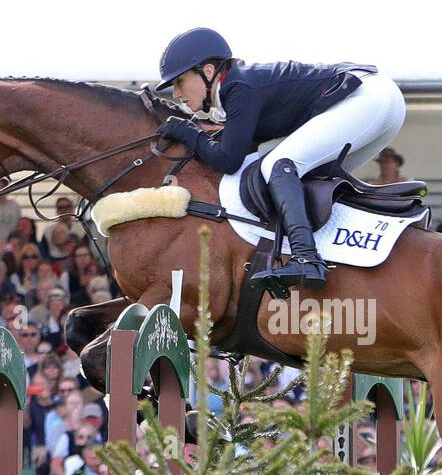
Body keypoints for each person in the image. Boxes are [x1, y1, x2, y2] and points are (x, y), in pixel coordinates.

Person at [156, 27, 406, 293]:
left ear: (207, 72)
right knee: (295, 171)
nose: (176, 94)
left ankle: (306, 258)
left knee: (279, 165)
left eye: (180, 81)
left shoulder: (238, 88)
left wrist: (186, 131)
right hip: (379, 101)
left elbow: (229, 160)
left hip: (368, 97)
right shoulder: (237, 89)